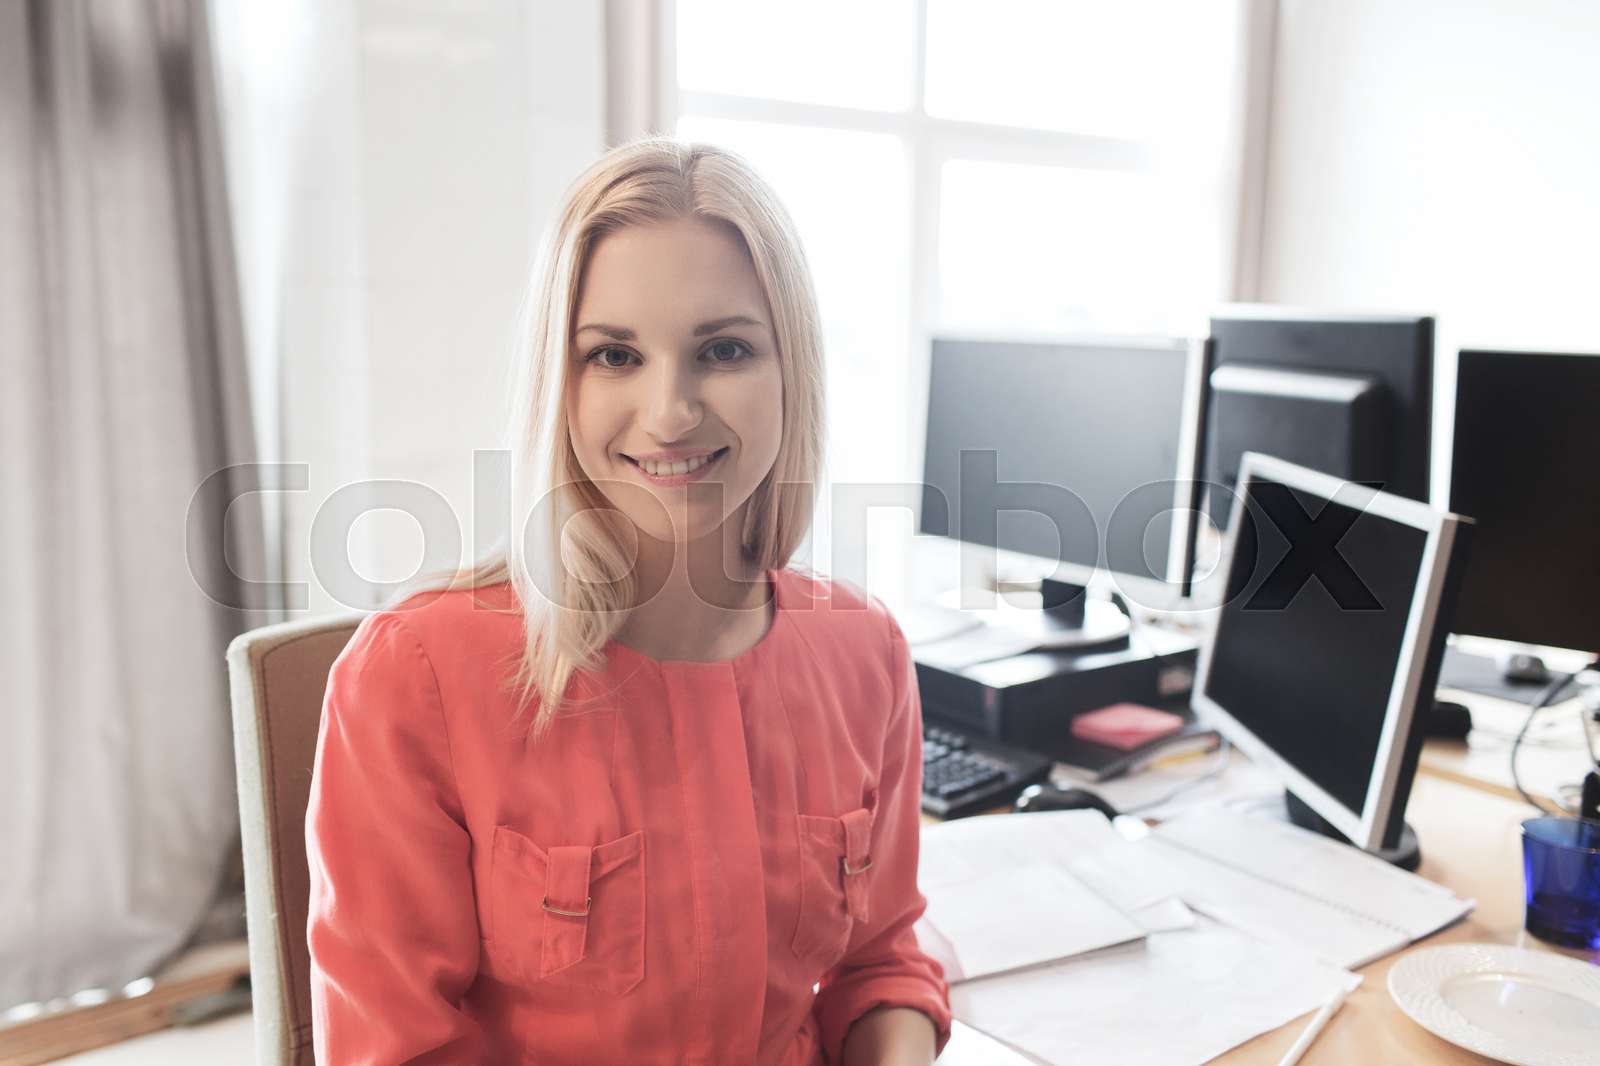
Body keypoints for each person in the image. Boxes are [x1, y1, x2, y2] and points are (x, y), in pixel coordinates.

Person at [304, 139, 952, 1064]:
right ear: (556, 386)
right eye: (613, 356)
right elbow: (395, 1047)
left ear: (791, 371)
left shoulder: (867, 653)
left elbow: (880, 963)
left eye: (723, 349)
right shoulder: (412, 680)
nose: (670, 411)